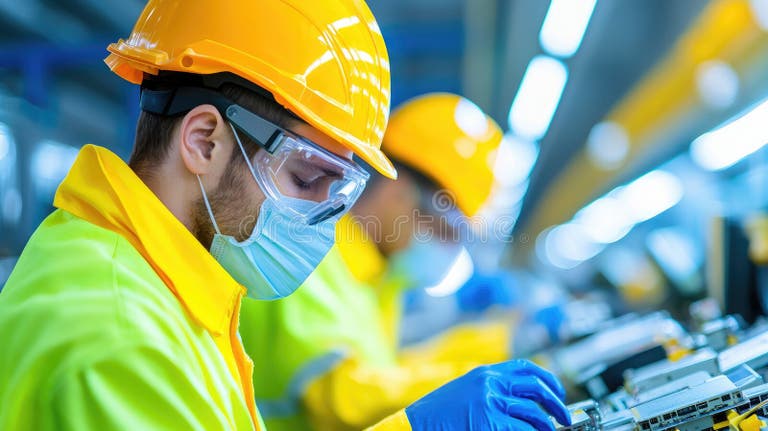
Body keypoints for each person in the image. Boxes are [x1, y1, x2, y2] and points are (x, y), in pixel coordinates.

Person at [0, 1, 570, 430]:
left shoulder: (172, 288)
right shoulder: (121, 338)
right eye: (305, 177)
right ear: (204, 141)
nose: (323, 219)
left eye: (338, 189)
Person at [240, 93, 547, 430]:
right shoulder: (312, 257)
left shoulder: (383, 279)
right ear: (397, 192)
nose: (447, 248)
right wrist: (468, 382)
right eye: (444, 230)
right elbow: (344, 397)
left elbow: (389, 372)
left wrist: (498, 342)